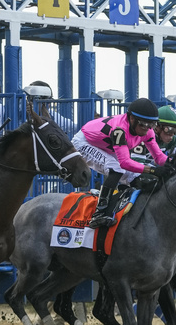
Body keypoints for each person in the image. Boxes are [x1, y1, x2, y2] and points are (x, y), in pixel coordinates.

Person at [72, 97, 169, 228]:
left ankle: (125, 208)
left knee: (134, 176)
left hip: (106, 146)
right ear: (132, 119)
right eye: (143, 124)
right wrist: (152, 170)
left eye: (151, 125)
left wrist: (174, 163)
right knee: (116, 168)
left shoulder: (147, 131)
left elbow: (159, 157)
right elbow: (124, 163)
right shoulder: (120, 129)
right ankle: (99, 212)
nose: (147, 129)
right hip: (84, 142)